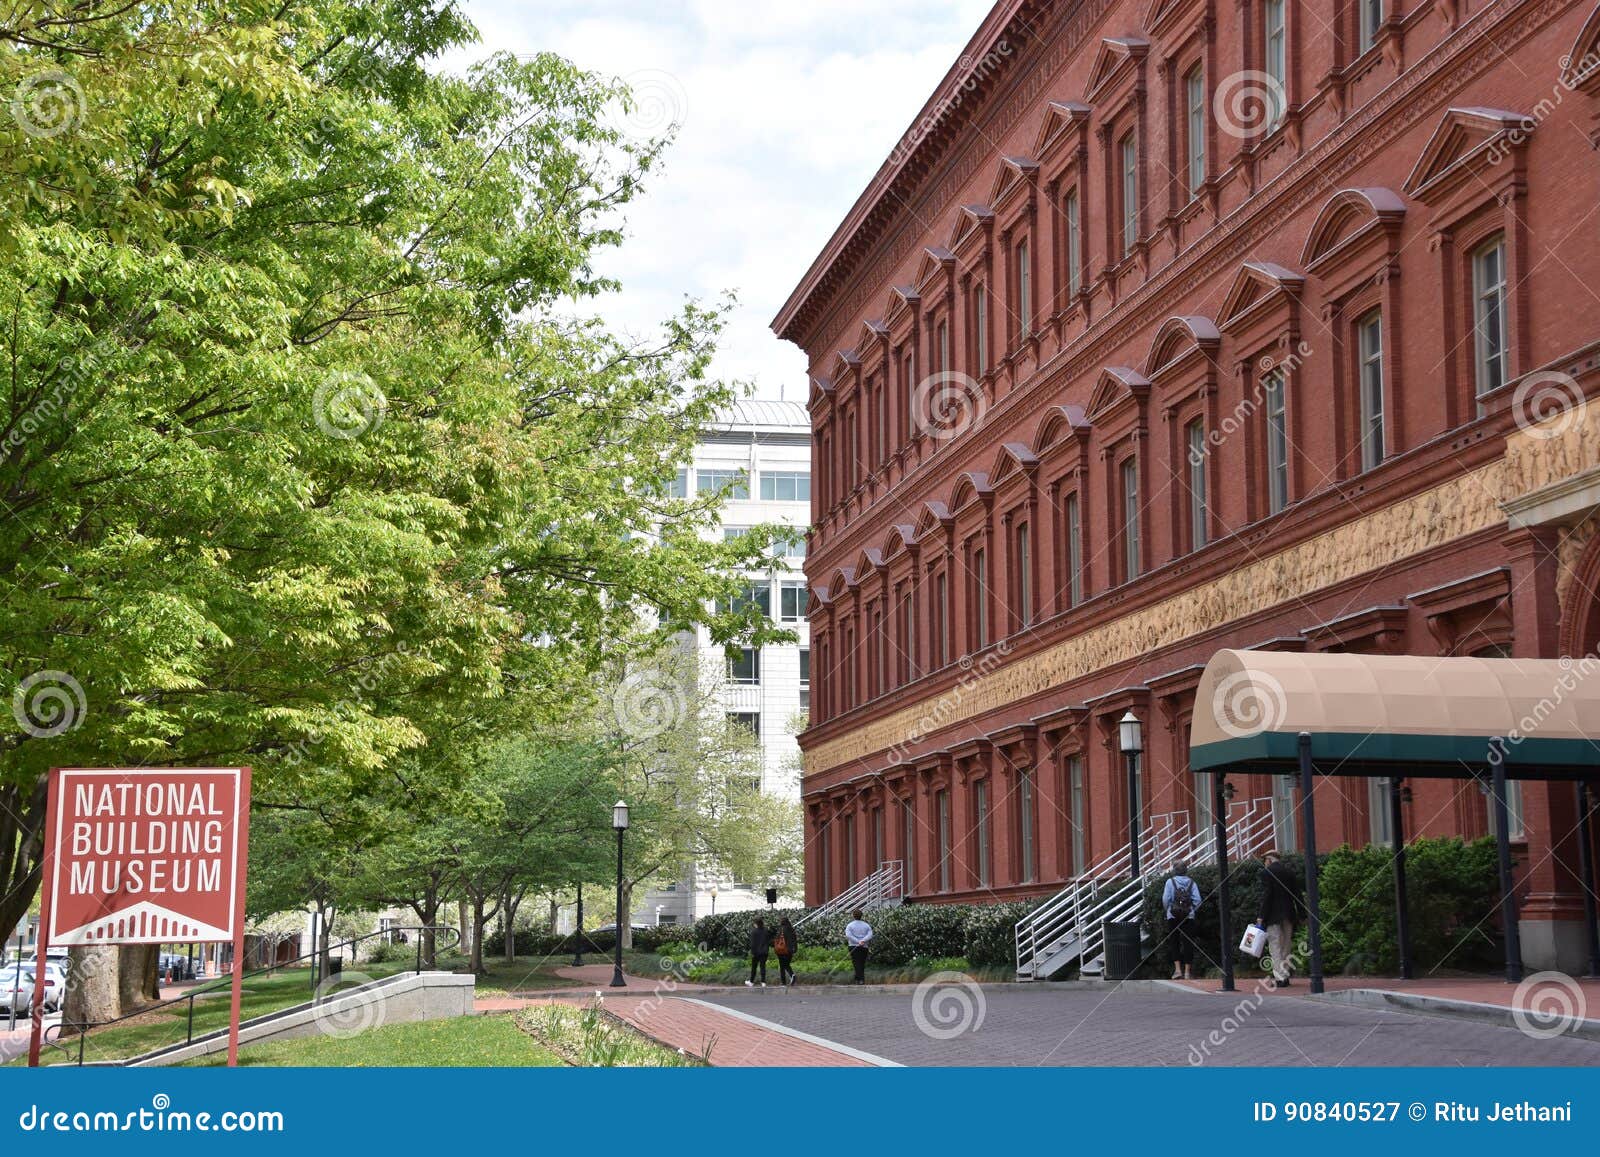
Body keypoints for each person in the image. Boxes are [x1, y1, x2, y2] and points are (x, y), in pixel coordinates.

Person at [1256, 850, 1304, 988]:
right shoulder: (1289, 872)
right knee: (1286, 945)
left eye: (1265, 861)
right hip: (1289, 914)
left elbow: (1267, 896)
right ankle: (1285, 975)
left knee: (1275, 946)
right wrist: (1302, 914)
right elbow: (1297, 895)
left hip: (1272, 916)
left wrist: (1261, 916)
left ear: (1269, 860)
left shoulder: (1266, 873)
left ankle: (1280, 978)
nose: (1265, 864)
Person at [1161, 863, 1202, 980]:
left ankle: (1178, 970)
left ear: (1174, 871)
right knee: (1188, 943)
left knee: (1174, 942)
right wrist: (1192, 910)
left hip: (1173, 916)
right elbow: (1198, 900)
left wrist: (1168, 910)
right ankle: (1188, 972)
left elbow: (1165, 899)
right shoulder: (1192, 883)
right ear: (1186, 871)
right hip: (1188, 916)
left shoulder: (1169, 882)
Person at [844, 909, 873, 984]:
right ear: (861, 916)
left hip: (853, 946)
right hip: (864, 946)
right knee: (862, 963)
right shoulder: (866, 925)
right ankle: (858, 979)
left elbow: (848, 935)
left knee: (856, 963)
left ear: (853, 916)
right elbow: (870, 934)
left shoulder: (850, 925)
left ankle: (860, 980)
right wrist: (863, 940)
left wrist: (857, 941)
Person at [772, 915, 798, 987]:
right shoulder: (792, 929)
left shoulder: (781, 929)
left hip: (782, 950)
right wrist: (795, 949)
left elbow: (777, 939)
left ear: (782, 922)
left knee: (782, 966)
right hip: (790, 950)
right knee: (786, 964)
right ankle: (792, 976)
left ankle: (784, 982)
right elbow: (795, 940)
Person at [746, 916, 771, 987]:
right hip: (764, 952)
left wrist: (752, 952)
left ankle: (751, 981)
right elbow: (768, 940)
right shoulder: (766, 930)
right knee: (763, 966)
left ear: (756, 923)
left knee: (754, 967)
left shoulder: (754, 931)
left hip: (756, 952)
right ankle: (763, 982)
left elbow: (753, 944)